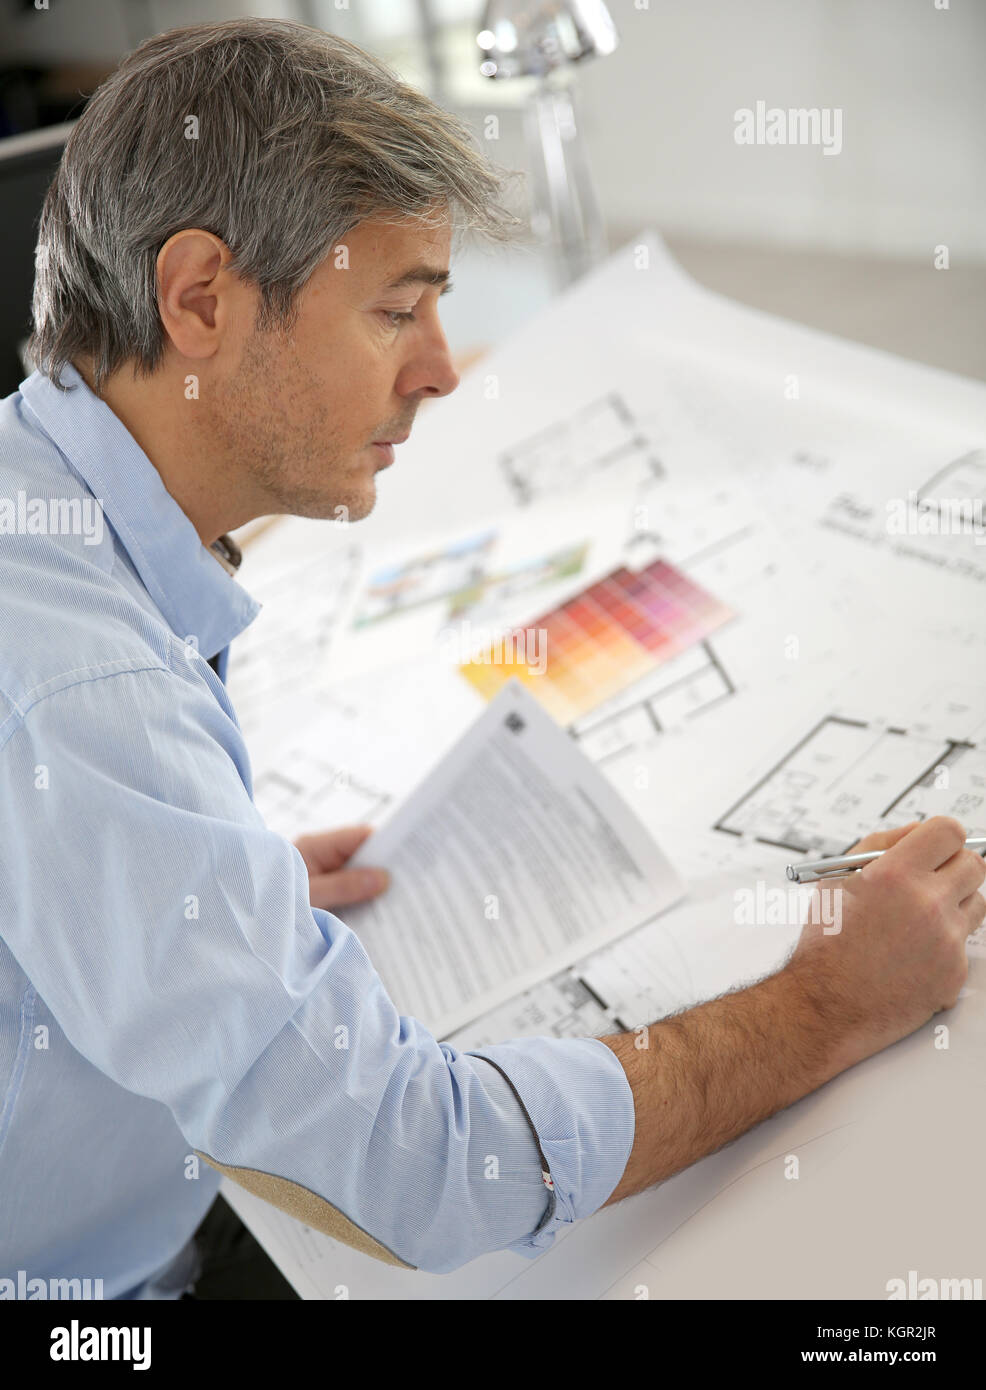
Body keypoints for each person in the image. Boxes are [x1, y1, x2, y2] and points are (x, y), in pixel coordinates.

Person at [0, 17, 982, 1300]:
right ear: (199, 299)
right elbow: (407, 1163)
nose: (444, 371)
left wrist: (184, 893)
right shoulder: (85, 687)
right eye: (394, 311)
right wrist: (830, 999)